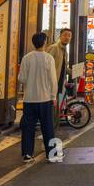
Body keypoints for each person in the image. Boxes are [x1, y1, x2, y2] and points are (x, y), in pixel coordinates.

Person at [20, 32, 60, 162]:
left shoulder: (26, 58)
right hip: (45, 99)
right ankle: (52, 154)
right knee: (47, 127)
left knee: (28, 128)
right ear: (44, 42)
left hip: (29, 99)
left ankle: (27, 154)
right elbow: (53, 80)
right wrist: (53, 96)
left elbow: (22, 78)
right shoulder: (49, 58)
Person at [46, 28, 72, 96]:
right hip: (51, 83)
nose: (67, 37)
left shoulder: (65, 52)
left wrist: (76, 72)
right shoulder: (54, 48)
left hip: (60, 83)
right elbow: (46, 64)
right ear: (60, 36)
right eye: (65, 35)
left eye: (69, 35)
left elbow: (64, 68)